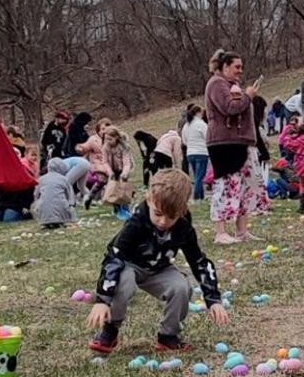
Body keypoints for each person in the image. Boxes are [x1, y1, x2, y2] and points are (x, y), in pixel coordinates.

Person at [86, 169, 229, 354]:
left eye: (171, 217)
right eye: (158, 214)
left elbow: (198, 261)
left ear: (182, 210)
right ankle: (110, 330)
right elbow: (115, 255)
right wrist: (103, 299)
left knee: (181, 287)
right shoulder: (137, 221)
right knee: (123, 283)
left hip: (159, 269)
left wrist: (213, 299)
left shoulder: (184, 227)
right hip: (128, 265)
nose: (162, 222)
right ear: (148, 199)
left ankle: (168, 336)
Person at [204, 49, 269, 244]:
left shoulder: (234, 86)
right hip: (224, 143)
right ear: (225, 66)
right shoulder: (216, 84)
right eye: (236, 67)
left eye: (241, 67)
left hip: (242, 143)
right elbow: (228, 108)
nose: (240, 70)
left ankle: (242, 230)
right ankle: (221, 232)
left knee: (247, 187)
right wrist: (248, 96)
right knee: (225, 184)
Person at [77, 118, 112, 209]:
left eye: (108, 129)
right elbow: (86, 146)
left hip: (109, 164)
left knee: (112, 179)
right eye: (103, 129)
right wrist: (81, 148)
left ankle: (109, 197)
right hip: (97, 164)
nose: (105, 132)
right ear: (98, 130)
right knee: (102, 179)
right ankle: (89, 197)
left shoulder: (112, 139)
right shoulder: (93, 140)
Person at [102, 126, 134, 221]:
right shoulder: (105, 147)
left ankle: (125, 208)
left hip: (122, 170)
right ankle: (117, 209)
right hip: (112, 171)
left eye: (110, 139)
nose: (108, 141)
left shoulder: (123, 147)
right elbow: (105, 161)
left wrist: (125, 173)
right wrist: (110, 172)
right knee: (113, 190)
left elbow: (126, 162)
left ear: (116, 138)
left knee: (123, 189)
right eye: (106, 139)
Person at [34, 158, 75, 228]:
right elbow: (70, 196)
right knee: (65, 205)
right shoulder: (64, 179)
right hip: (62, 212)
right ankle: (64, 220)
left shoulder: (41, 179)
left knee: (39, 204)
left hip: (43, 214)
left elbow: (36, 194)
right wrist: (71, 205)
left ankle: (45, 222)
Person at [180, 105, 209, 201]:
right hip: (201, 152)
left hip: (190, 153)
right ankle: (197, 197)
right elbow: (208, 137)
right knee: (200, 176)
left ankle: (201, 196)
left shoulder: (186, 125)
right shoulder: (201, 124)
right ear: (198, 112)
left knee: (197, 175)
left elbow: (184, 140)